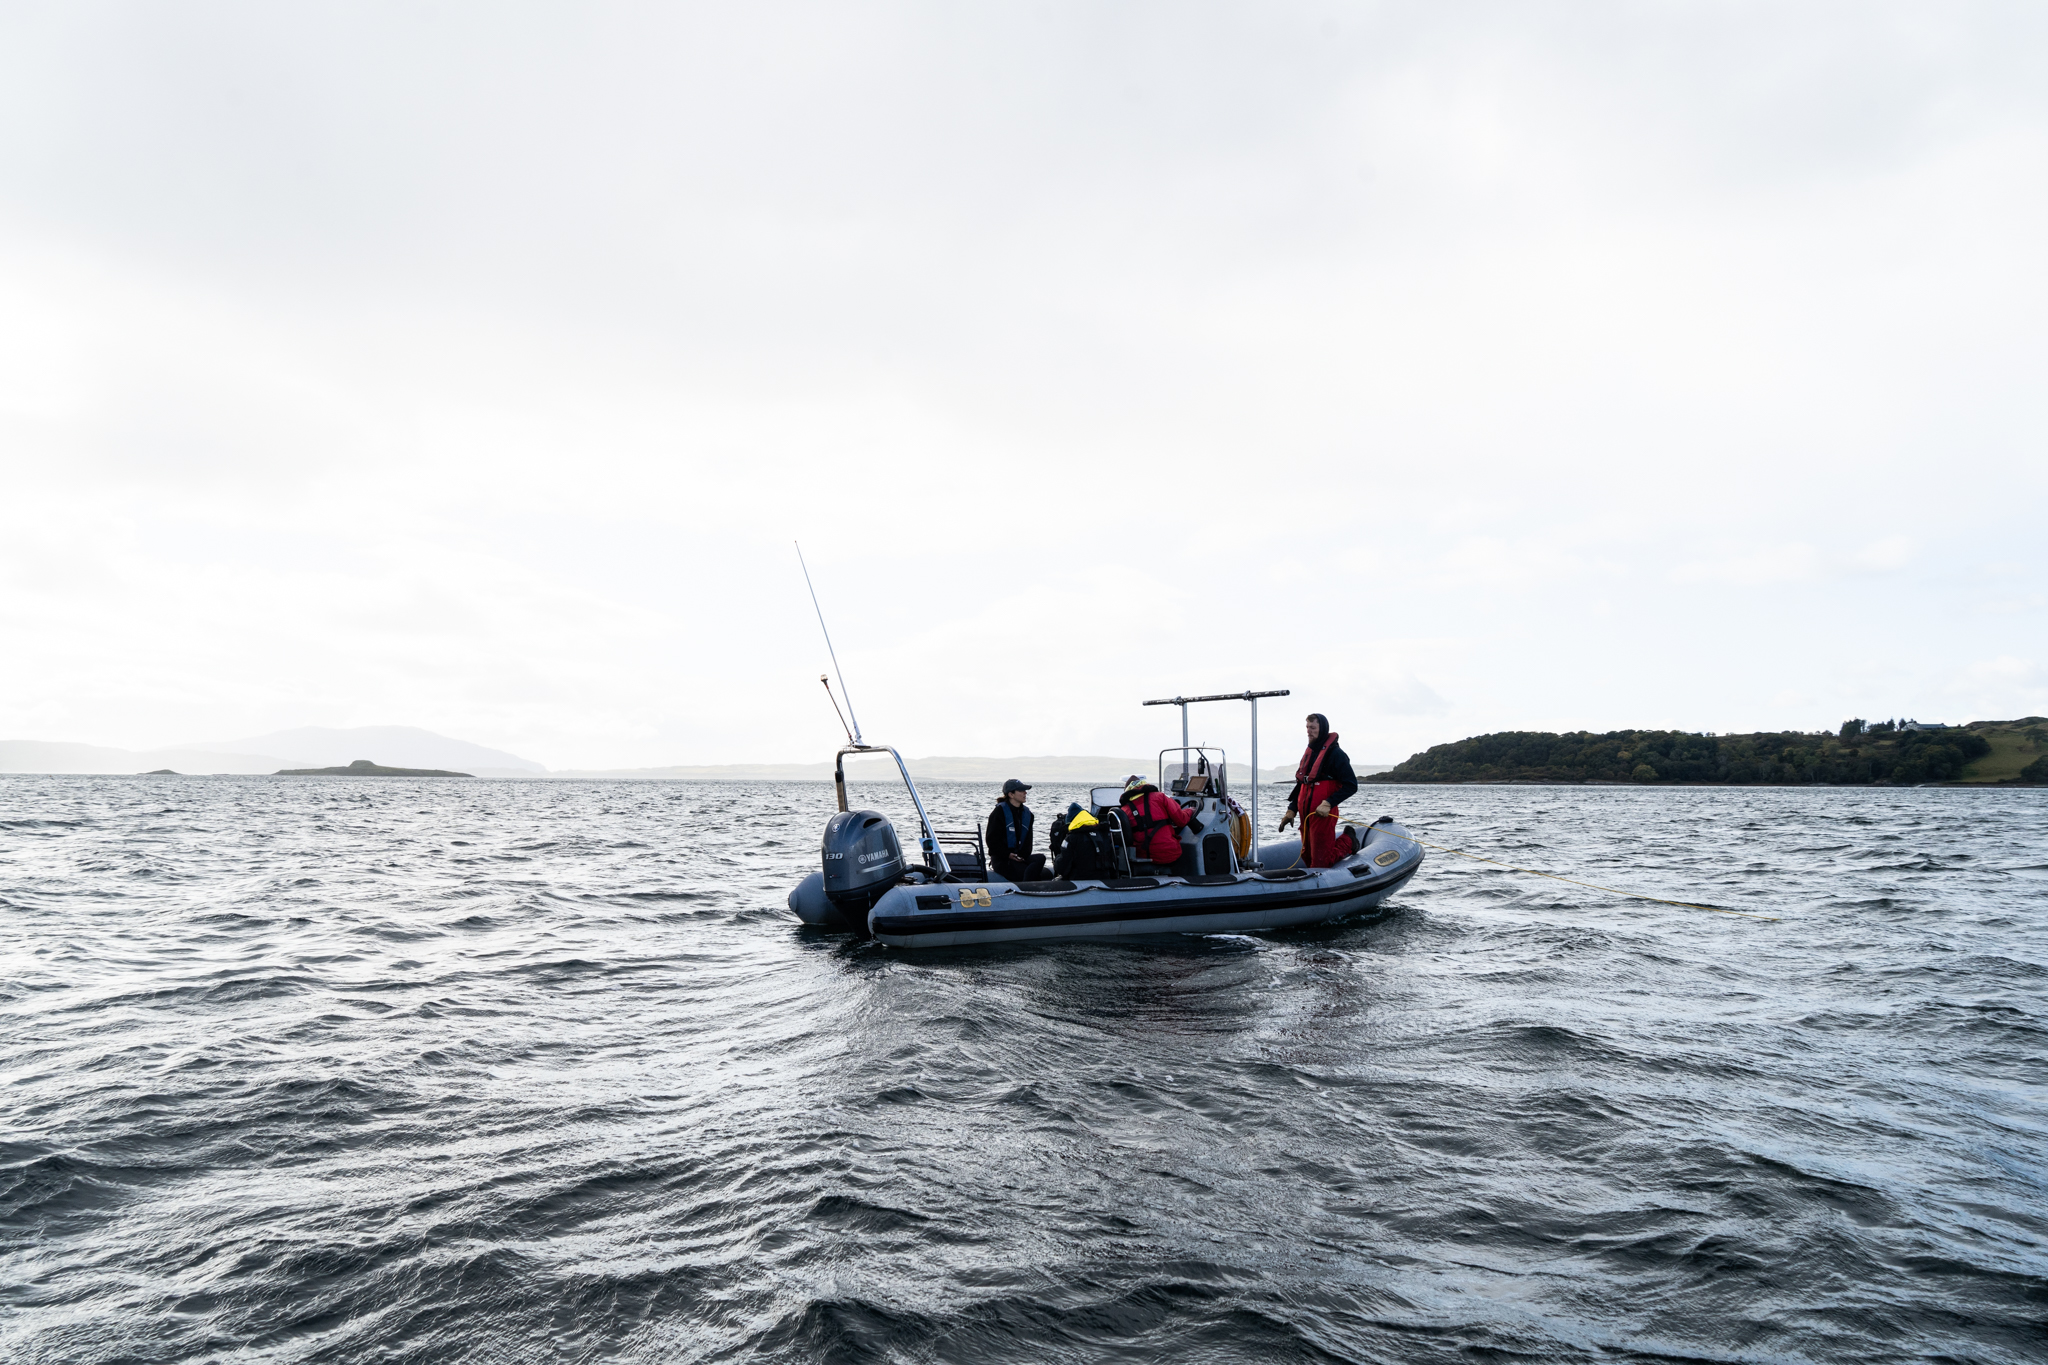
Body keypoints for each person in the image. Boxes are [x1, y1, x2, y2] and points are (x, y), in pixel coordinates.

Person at [1278, 712, 1358, 868]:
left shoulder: (1336, 754)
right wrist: (1291, 810)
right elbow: (1301, 784)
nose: (1309, 731)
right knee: (1306, 856)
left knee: (1322, 862)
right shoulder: (1310, 754)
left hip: (1323, 815)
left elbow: (1351, 785)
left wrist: (1329, 803)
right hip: (1305, 816)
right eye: (1307, 727)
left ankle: (1349, 840)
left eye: (1313, 728)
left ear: (1322, 729)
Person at [1121, 775, 1194, 874]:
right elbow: (1182, 820)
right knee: (1187, 859)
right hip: (1168, 855)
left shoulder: (1124, 810)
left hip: (1140, 856)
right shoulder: (1160, 797)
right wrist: (1190, 811)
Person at [986, 778, 1047, 881]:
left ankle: (1030, 881)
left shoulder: (1028, 814)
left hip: (1019, 858)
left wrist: (1022, 856)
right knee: (1028, 873)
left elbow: (1028, 842)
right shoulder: (999, 812)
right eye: (1021, 791)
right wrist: (1008, 855)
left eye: (1025, 790)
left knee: (1040, 858)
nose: (1025, 793)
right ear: (1011, 794)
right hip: (1003, 859)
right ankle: (1027, 885)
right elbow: (991, 841)